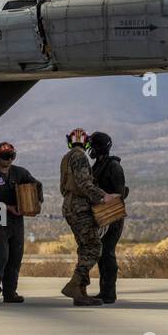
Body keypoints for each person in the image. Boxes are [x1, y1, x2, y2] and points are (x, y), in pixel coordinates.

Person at [60, 128, 120, 306]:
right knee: (94, 247)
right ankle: (74, 284)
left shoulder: (66, 157)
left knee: (84, 248)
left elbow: (65, 186)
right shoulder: (79, 157)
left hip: (70, 205)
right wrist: (103, 196)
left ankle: (81, 293)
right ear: (86, 143)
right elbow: (84, 183)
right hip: (80, 208)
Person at [0, 141, 42, 304]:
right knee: (0, 256)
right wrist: (9, 207)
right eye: (4, 156)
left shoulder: (20, 173)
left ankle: (10, 292)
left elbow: (37, 185)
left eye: (11, 156)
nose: (8, 159)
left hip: (16, 219)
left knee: (16, 255)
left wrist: (36, 203)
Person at [87, 132, 128, 304]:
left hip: (112, 215)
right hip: (101, 214)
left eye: (92, 146)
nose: (90, 149)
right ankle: (105, 291)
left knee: (108, 253)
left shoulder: (113, 166)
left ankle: (109, 293)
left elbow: (120, 193)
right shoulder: (99, 165)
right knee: (102, 253)